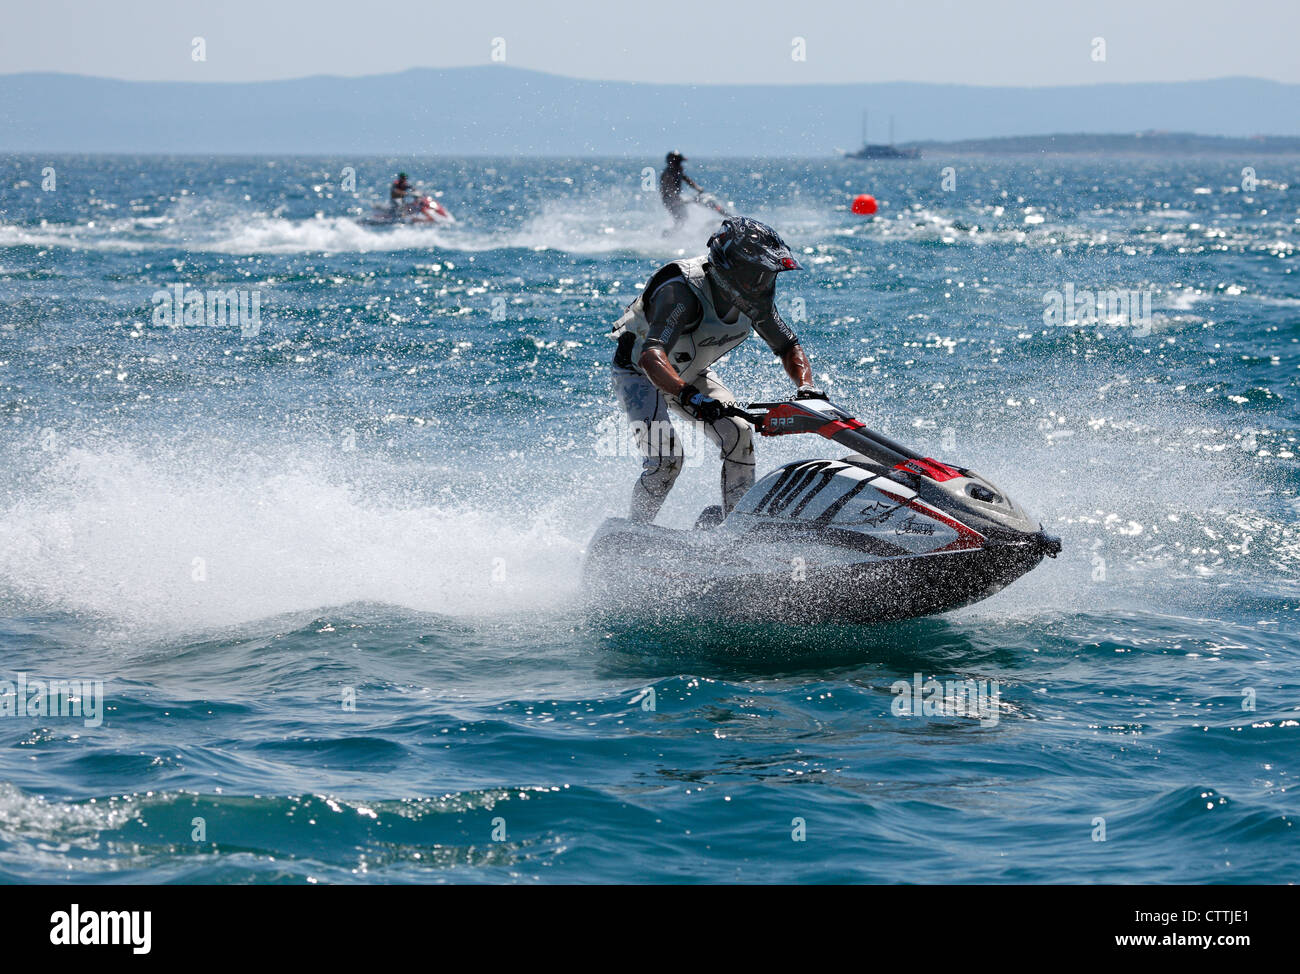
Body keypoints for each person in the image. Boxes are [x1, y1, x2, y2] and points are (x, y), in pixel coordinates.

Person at [609, 217, 823, 523]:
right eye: (757, 274)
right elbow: (651, 356)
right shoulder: (681, 291)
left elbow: (788, 346)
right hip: (640, 375)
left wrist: (806, 388)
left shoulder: (755, 298)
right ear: (730, 268)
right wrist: (690, 396)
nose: (764, 282)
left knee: (739, 434)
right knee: (667, 459)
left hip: (689, 373)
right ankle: (632, 535)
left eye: (768, 274)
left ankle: (734, 534)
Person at [659, 151, 702, 230]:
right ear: (673, 162)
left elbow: (687, 180)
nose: (680, 165)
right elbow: (668, 189)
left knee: (684, 217)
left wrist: (697, 188)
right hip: (669, 200)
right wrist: (677, 199)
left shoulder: (677, 171)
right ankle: (672, 235)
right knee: (680, 218)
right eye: (678, 162)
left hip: (675, 199)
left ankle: (676, 233)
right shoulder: (668, 173)